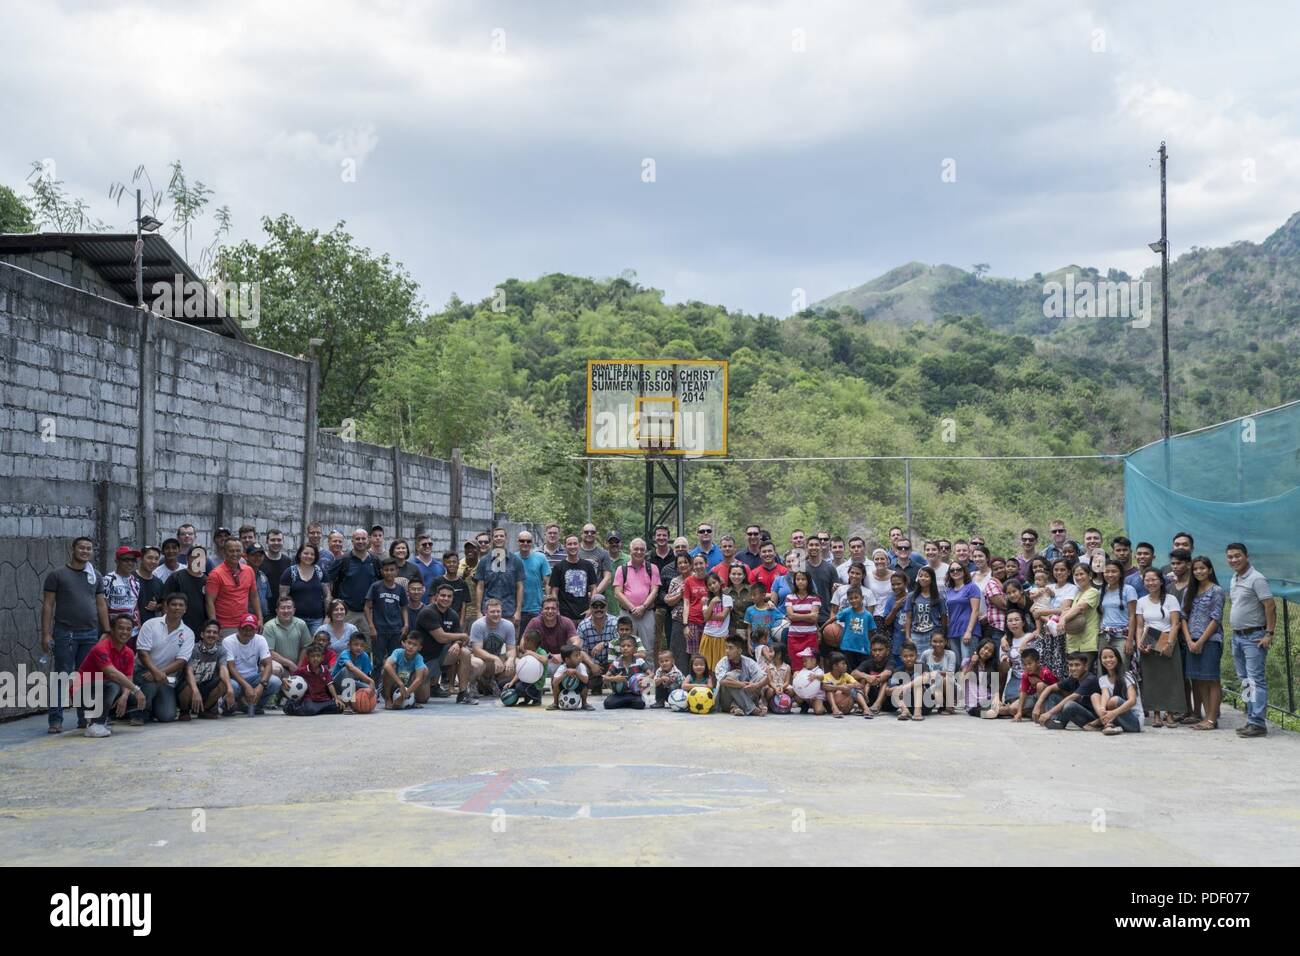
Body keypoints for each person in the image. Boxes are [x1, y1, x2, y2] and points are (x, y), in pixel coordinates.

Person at [41, 536, 111, 734]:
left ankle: (84, 718)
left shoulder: (95, 575)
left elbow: (100, 604)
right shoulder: (57, 575)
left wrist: (106, 631)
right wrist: (46, 634)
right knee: (62, 676)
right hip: (65, 633)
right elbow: (48, 605)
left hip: (90, 634)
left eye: (89, 548)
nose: (85, 551)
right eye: (81, 548)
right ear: (73, 549)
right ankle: (55, 720)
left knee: (87, 677)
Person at [1225, 543, 1275, 738]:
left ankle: (1258, 722)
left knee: (1256, 680)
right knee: (1244, 679)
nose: (1233, 560)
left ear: (1247, 556)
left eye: (1237, 556)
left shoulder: (1257, 578)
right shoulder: (1234, 578)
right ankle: (1251, 718)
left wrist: (1268, 634)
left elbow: (1270, 606)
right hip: (1238, 636)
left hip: (1254, 637)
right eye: (1230, 557)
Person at [76, 615, 146, 738]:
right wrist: (136, 690)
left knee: (131, 696)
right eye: (120, 628)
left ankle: (101, 719)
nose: (125, 632)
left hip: (103, 690)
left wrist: (124, 697)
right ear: (112, 630)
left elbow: (128, 678)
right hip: (82, 692)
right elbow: (112, 673)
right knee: (114, 685)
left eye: (128, 629)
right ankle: (96, 724)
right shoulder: (101, 648)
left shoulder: (129, 652)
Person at [129, 592, 195, 725]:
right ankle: (139, 713)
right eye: (173, 604)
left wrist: (160, 674)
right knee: (150, 685)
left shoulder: (188, 633)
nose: (177, 608)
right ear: (166, 606)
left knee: (167, 716)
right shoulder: (150, 624)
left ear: (185, 609)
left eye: (180, 605)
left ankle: (151, 707)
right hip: (143, 671)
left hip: (166, 676)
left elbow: (181, 661)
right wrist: (155, 672)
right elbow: (143, 653)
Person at [1135, 569, 1184, 728]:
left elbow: (1176, 623)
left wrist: (1170, 644)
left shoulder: (1171, 599)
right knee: (1152, 678)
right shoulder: (1141, 600)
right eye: (1147, 580)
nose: (1151, 583)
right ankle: (1156, 713)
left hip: (1167, 637)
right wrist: (1139, 643)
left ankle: (1169, 713)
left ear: (1161, 581)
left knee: (1171, 677)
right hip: (1150, 637)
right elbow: (1140, 625)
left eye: (1154, 579)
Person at [414, 583, 477, 703]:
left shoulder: (453, 614)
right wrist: (462, 636)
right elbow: (441, 637)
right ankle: (430, 686)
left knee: (465, 653)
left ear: (453, 598)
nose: (446, 598)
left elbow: (458, 638)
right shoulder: (428, 612)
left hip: (441, 655)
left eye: (449, 596)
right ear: (436, 596)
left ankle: (463, 693)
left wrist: (457, 644)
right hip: (423, 660)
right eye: (443, 595)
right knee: (422, 699)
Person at [1182, 555, 1224, 731]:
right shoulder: (1188, 591)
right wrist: (1189, 640)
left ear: (1210, 570)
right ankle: (1207, 717)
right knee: (1198, 680)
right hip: (1191, 641)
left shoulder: (1216, 591)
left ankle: (1212, 719)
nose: (1199, 571)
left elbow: (1216, 618)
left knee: (1211, 679)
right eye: (1196, 569)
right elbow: (1183, 617)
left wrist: (1200, 641)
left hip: (1211, 641)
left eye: (1202, 568)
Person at [222, 614, 281, 716]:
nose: (247, 632)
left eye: (251, 629)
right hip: (235, 678)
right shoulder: (228, 641)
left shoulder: (260, 639)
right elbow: (231, 668)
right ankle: (229, 705)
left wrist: (261, 685)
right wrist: (247, 686)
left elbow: (268, 664)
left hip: (253, 677)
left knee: (275, 682)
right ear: (238, 628)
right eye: (245, 629)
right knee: (233, 686)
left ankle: (255, 706)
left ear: (256, 630)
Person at [329, 529, 381, 644]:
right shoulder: (343, 560)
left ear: (368, 540)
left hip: (369, 613)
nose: (360, 541)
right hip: (347, 612)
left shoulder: (375, 561)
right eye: (357, 539)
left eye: (363, 538)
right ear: (352, 541)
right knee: (344, 644)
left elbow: (380, 584)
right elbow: (328, 580)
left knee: (367, 647)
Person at [613, 537, 661, 655]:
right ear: (630, 551)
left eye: (642, 549)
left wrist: (643, 607)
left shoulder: (652, 568)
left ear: (645, 551)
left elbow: (654, 591)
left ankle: (648, 672)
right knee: (625, 647)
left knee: (647, 648)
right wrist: (632, 608)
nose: (639, 552)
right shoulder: (622, 569)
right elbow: (618, 592)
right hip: (627, 613)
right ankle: (627, 672)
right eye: (636, 549)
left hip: (647, 613)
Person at [365, 557, 409, 683]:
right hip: (379, 630)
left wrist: (406, 624)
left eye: (392, 570)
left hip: (396, 630)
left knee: (394, 660)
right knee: (378, 662)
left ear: (396, 571)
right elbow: (367, 607)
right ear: (382, 571)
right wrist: (371, 626)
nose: (389, 572)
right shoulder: (376, 586)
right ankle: (374, 689)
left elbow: (404, 607)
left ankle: (392, 688)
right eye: (386, 570)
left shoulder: (400, 589)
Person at [207, 538, 261, 637]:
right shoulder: (215, 574)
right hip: (224, 626)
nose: (235, 554)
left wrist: (260, 618)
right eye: (231, 551)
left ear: (242, 552)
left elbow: (254, 596)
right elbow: (209, 601)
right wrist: (214, 627)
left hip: (245, 623)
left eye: (238, 550)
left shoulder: (249, 571)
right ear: (224, 552)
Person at [178, 620, 230, 719]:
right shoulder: (193, 648)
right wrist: (195, 691)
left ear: (218, 636)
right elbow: (188, 671)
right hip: (190, 685)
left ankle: (203, 710)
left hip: (206, 685)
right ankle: (184, 711)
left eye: (215, 632)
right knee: (188, 686)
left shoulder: (221, 650)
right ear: (202, 634)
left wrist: (229, 688)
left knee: (224, 683)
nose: (211, 634)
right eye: (208, 632)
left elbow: (223, 669)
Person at [474, 527, 526, 627]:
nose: (499, 538)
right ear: (492, 539)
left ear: (506, 538)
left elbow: (520, 587)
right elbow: (480, 587)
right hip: (488, 611)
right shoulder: (484, 561)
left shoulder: (516, 561)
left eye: (501, 536)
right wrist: (478, 611)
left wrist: (518, 611)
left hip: (509, 611)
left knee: (509, 641)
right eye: (496, 536)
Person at [1034, 652, 1100, 729]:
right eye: (1070, 665)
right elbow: (1050, 688)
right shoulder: (1073, 678)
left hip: (1093, 718)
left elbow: (1072, 697)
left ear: (1085, 667)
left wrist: (1049, 713)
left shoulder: (1090, 679)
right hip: (1079, 710)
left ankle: (1060, 722)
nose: (1073, 668)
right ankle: (1055, 721)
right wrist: (1037, 706)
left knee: (1070, 705)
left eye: (1077, 665)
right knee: (1053, 695)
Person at [1056, 562, 1100, 671]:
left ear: (1090, 575)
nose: (1079, 577)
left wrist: (1063, 619)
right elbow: (1066, 610)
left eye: (1082, 574)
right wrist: (1065, 615)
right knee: (1074, 677)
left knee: (1083, 676)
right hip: (1073, 643)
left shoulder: (1093, 592)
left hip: (1087, 642)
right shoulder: (1078, 593)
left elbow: (1079, 608)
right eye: (1076, 575)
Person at [1096, 559, 1138, 676]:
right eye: (1107, 571)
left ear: (1120, 573)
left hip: (1122, 636)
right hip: (1105, 635)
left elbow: (1132, 615)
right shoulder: (1102, 591)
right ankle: (1104, 693)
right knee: (1102, 669)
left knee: (1122, 668)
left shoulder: (1129, 590)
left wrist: (1130, 639)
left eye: (1114, 571)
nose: (1110, 574)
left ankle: (1122, 693)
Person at [469, 597, 518, 693]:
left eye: (498, 611)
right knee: (478, 664)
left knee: (518, 663)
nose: (496, 614)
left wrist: (511, 660)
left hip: (496, 659)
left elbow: (511, 649)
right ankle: (471, 684)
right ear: (485, 613)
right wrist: (494, 658)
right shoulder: (478, 625)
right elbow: (476, 650)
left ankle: (492, 682)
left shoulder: (508, 625)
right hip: (477, 657)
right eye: (492, 612)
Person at [280, 543, 329, 636]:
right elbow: (283, 597)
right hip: (295, 619)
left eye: (312, 554)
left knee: (315, 648)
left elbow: (327, 596)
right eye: (306, 553)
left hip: (317, 620)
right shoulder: (290, 572)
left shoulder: (320, 572)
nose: (309, 556)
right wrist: (285, 616)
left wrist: (327, 616)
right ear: (299, 554)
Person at [262, 595, 312, 686]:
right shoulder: (269, 626)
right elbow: (269, 651)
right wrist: (289, 663)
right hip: (279, 666)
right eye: (282, 608)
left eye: (289, 608)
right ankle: (276, 695)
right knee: (276, 669)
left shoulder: (301, 624)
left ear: (294, 610)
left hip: (298, 665)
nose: (286, 611)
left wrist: (298, 667)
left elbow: (305, 647)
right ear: (277, 611)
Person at [549, 534, 599, 623]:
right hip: (565, 615)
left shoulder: (588, 565)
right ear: (565, 546)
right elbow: (554, 592)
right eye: (569, 544)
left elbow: (594, 589)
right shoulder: (558, 567)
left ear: (579, 545)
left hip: (585, 615)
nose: (572, 546)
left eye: (575, 543)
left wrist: (591, 609)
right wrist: (557, 611)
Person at [714, 634, 768, 716]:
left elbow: (764, 677)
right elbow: (723, 681)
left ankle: (736, 706)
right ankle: (752, 709)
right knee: (730, 677)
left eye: (730, 648)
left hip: (745, 697)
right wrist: (742, 684)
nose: (727, 651)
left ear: (739, 650)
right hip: (726, 701)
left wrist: (756, 685)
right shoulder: (722, 662)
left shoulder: (749, 662)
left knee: (759, 677)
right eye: (726, 647)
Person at [286, 642, 344, 716]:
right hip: (310, 699)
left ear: (322, 657)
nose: (315, 658)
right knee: (310, 709)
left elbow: (330, 685)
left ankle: (316, 710)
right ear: (308, 658)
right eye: (312, 656)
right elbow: (291, 678)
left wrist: (336, 698)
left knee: (339, 707)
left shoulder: (325, 670)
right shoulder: (302, 670)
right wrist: (285, 679)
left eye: (318, 656)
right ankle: (292, 708)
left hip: (323, 699)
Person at [574, 594, 617, 689]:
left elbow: (620, 644)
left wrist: (605, 644)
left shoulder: (615, 622)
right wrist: (592, 665)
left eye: (602, 606)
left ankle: (608, 682)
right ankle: (596, 683)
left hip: (612, 662)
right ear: (590, 607)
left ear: (606, 607)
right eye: (595, 606)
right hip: (592, 662)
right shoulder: (583, 625)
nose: (599, 609)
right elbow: (580, 650)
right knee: (581, 669)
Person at [523, 596, 579, 666]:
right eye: (547, 608)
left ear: (558, 610)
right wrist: (536, 655)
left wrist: (563, 655)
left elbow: (576, 642)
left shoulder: (566, 622)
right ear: (541, 610)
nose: (550, 611)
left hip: (561, 661)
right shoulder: (534, 622)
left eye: (553, 608)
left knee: (579, 657)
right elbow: (523, 643)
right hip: (539, 661)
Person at [782, 570, 822, 670]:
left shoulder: (815, 598)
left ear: (808, 581)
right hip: (794, 636)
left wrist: (796, 616)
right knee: (795, 665)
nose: (800, 581)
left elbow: (814, 618)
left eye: (803, 579)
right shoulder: (789, 597)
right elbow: (790, 616)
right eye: (798, 579)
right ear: (794, 581)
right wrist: (808, 615)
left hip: (810, 636)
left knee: (811, 664)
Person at [904, 567, 946, 657]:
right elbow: (908, 617)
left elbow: (943, 617)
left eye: (927, 576)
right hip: (916, 634)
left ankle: (931, 672)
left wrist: (943, 634)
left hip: (933, 633)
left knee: (932, 658)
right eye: (921, 576)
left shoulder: (939, 597)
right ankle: (918, 672)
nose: (923, 578)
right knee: (917, 660)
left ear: (932, 579)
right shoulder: (911, 596)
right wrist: (908, 636)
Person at [945, 561, 982, 664]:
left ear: (964, 571)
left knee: (966, 664)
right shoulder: (948, 591)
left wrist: (969, 631)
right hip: (953, 631)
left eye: (958, 569)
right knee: (956, 663)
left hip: (968, 630)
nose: (955, 571)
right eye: (952, 570)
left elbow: (975, 610)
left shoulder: (971, 587)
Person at [663, 552, 694, 674]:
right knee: (678, 653)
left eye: (685, 562)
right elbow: (669, 601)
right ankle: (679, 681)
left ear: (691, 564)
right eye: (680, 563)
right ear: (676, 566)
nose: (683, 565)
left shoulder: (697, 578)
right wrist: (680, 593)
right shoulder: (675, 581)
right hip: (678, 621)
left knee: (694, 654)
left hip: (695, 621)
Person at [603, 629, 649, 710]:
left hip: (634, 693)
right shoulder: (616, 663)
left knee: (640, 704)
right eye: (623, 646)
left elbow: (651, 674)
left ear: (635, 649)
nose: (625, 648)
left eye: (628, 646)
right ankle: (626, 702)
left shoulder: (639, 661)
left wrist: (645, 679)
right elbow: (605, 678)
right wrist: (614, 678)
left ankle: (624, 702)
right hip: (619, 693)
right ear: (620, 649)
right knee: (607, 704)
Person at [516, 529, 551, 633]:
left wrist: (548, 602)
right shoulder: (512, 558)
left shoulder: (541, 558)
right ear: (518, 542)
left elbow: (548, 582)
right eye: (522, 541)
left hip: (536, 608)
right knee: (517, 641)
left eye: (528, 541)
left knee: (538, 640)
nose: (525, 543)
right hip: (518, 609)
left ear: (532, 542)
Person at [382, 632, 430, 709]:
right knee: (390, 666)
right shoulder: (398, 652)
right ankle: (388, 699)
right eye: (409, 643)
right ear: (404, 643)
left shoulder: (418, 658)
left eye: (415, 645)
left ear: (420, 648)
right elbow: (387, 665)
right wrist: (400, 683)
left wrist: (402, 697)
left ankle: (412, 699)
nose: (410, 646)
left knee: (424, 670)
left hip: (408, 687)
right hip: (394, 685)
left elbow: (418, 679)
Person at [835, 585, 876, 671]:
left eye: (856, 597)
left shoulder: (868, 615)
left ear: (862, 598)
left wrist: (870, 646)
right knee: (848, 672)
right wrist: (822, 628)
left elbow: (872, 632)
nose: (853, 600)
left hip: (863, 649)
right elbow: (834, 618)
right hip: (847, 647)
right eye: (851, 599)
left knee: (862, 672)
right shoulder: (847, 611)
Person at [104, 545, 142, 638]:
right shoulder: (108, 580)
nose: (130, 563)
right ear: (117, 561)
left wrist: (139, 624)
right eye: (126, 560)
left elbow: (135, 605)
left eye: (133, 560)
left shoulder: (136, 581)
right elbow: (103, 606)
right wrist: (107, 629)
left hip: (133, 630)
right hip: (115, 631)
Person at [699, 572, 731, 671]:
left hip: (721, 637)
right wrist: (712, 603)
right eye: (709, 585)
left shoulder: (727, 598)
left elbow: (722, 616)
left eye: (714, 582)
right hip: (708, 636)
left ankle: (718, 686)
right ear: (707, 588)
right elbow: (704, 617)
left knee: (720, 667)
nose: (713, 586)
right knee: (706, 666)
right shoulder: (706, 600)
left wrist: (708, 616)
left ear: (719, 582)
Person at [331, 632, 376, 702]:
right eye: (356, 644)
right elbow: (351, 667)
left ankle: (350, 698)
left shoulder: (365, 656)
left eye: (362, 645)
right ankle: (347, 703)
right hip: (336, 684)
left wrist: (369, 689)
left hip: (352, 684)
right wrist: (370, 680)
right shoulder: (345, 654)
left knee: (373, 691)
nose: (359, 648)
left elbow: (364, 676)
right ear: (349, 645)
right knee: (347, 670)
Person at [822, 652, 869, 718]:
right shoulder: (826, 676)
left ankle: (866, 708)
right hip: (830, 705)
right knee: (829, 690)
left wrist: (850, 686)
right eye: (843, 663)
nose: (846, 665)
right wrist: (840, 687)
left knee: (855, 690)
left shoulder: (846, 675)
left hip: (846, 706)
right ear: (835, 666)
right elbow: (824, 686)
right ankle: (834, 708)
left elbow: (859, 685)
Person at [549, 644, 594, 711]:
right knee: (554, 680)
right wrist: (565, 673)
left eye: (579, 655)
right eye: (576, 655)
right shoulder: (562, 668)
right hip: (564, 687)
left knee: (586, 680)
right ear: (567, 659)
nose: (579, 657)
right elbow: (554, 682)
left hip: (577, 687)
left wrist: (576, 672)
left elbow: (586, 680)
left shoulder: (581, 666)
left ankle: (584, 703)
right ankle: (555, 703)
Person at [432, 552, 470, 627]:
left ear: (458, 564)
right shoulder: (437, 581)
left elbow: (464, 606)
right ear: (444, 564)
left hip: (456, 620)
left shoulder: (463, 584)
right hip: (439, 620)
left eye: (454, 562)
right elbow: (432, 601)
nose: (451, 564)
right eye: (448, 562)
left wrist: (461, 623)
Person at [577, 523, 614, 598]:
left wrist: (594, 594)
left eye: (592, 532)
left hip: (598, 597)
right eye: (586, 532)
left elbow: (607, 578)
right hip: (577, 597)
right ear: (581, 534)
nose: (589, 534)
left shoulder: (604, 553)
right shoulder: (575, 552)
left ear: (596, 534)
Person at [135, 546, 166, 628]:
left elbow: (163, 604)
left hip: (149, 628)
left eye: (156, 559)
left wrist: (156, 606)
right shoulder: (131, 577)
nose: (153, 561)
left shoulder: (158, 583)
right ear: (141, 558)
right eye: (149, 558)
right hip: (130, 627)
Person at [260, 529, 293, 599]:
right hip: (264, 605)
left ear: (283, 542)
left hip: (282, 606)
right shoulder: (260, 560)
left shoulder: (288, 561)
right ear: (267, 542)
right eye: (272, 540)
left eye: (279, 540)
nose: (276, 543)